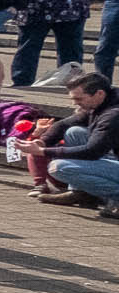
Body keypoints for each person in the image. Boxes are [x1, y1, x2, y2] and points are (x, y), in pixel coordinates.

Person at [32, 73, 119, 217]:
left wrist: (44, 151)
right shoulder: (104, 102)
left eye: (79, 99)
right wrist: (43, 140)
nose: (75, 103)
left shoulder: (113, 115)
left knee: (59, 167)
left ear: (99, 93)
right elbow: (64, 124)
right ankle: (81, 193)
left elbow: (92, 151)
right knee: (74, 132)